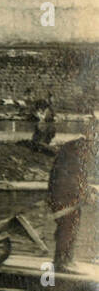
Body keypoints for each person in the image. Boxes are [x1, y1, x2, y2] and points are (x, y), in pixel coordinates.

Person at [48, 113, 98, 271]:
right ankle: (62, 262)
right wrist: (85, 192)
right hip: (64, 192)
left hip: (67, 191)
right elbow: (72, 175)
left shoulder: (79, 147)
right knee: (68, 225)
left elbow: (80, 175)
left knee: (72, 224)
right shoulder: (78, 149)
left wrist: (87, 190)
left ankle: (66, 259)